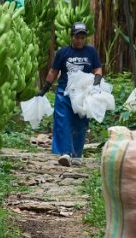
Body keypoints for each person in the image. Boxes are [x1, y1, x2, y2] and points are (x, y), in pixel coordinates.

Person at [39, 21, 103, 167]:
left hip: (83, 94)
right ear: (71, 37)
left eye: (82, 37)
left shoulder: (91, 52)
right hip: (64, 93)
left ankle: (77, 155)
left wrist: (97, 81)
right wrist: (44, 89)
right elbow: (53, 71)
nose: (79, 40)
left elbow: (97, 68)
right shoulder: (63, 52)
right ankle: (65, 153)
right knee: (63, 122)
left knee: (80, 124)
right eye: (77, 37)